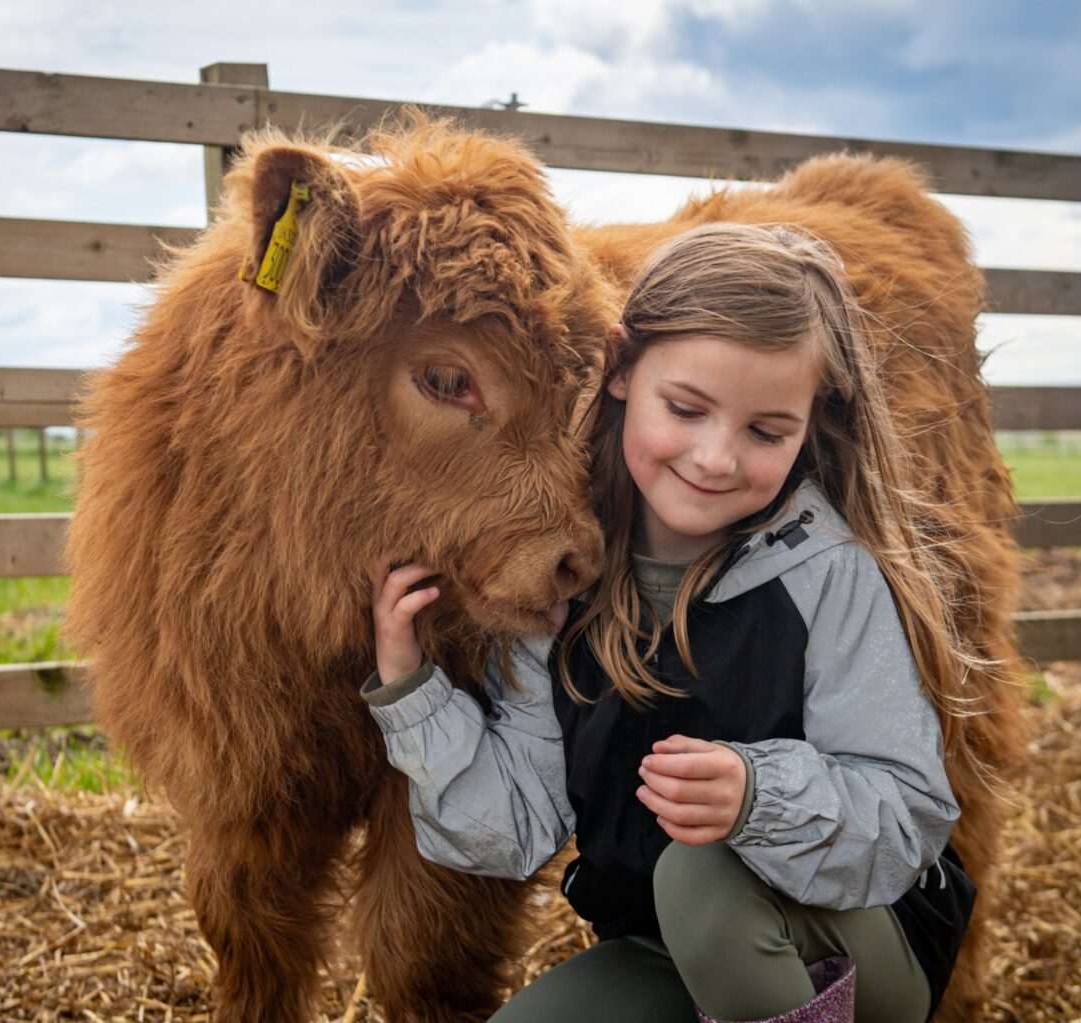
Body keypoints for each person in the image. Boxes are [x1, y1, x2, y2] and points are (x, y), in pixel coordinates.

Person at [363, 222, 979, 1023]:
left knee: (703, 876)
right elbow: (512, 827)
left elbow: (907, 817)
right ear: (619, 367)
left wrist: (761, 797)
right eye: (687, 409)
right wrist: (412, 691)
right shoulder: (563, 573)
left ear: (810, 422)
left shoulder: (830, 572)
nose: (716, 457)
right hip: (663, 943)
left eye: (766, 430)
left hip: (852, 937)